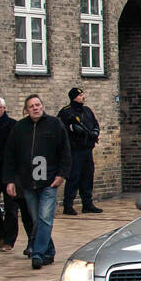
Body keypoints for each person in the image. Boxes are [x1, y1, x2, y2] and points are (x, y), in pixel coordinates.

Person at [1, 94, 71, 269]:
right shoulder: (19, 128)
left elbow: (65, 151)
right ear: (26, 110)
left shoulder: (55, 125)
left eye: (38, 104)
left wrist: (62, 174)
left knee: (45, 218)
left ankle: (38, 253)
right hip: (28, 182)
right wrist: (9, 180)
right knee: (36, 219)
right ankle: (49, 251)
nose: (35, 108)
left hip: (49, 181)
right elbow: (10, 156)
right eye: (31, 106)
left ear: (42, 106)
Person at [58, 87, 102, 215]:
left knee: (87, 177)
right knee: (74, 177)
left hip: (87, 148)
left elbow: (95, 124)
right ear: (74, 97)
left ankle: (87, 204)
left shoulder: (87, 110)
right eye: (80, 95)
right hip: (74, 150)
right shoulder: (66, 112)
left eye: (83, 94)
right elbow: (59, 127)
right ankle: (68, 205)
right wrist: (71, 127)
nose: (83, 96)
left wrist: (95, 132)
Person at [0, 95, 21, 253]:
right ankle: (1, 235)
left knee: (10, 208)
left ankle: (9, 240)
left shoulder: (12, 126)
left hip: (8, 173)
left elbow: (13, 150)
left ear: (3, 108)